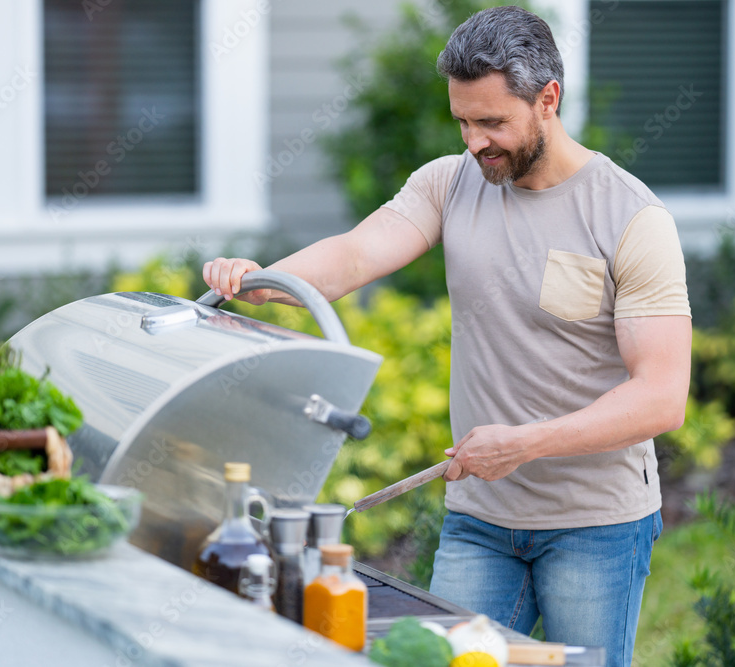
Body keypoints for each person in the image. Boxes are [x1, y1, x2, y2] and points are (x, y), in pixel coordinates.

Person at [203, 6, 691, 666]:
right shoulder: (450, 183)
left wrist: (525, 443)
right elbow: (352, 256)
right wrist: (261, 280)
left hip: (595, 523)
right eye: (463, 120)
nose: (474, 141)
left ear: (548, 99)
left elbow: (661, 396)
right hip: (480, 518)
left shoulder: (630, 218)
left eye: (492, 122)